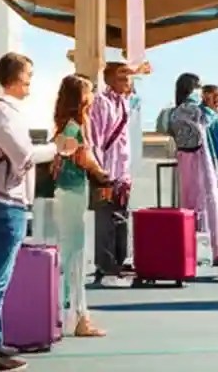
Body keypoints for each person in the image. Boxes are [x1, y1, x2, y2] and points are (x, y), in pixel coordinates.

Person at [0, 53, 79, 371]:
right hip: (1, 204)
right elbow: (24, 157)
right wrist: (59, 148)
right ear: (17, 77)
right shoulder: (2, 113)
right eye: (29, 73)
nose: (31, 79)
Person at [46, 74, 112, 338]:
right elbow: (85, 160)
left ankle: (65, 314)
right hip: (74, 193)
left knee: (68, 254)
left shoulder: (63, 128)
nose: (93, 96)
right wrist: (103, 173)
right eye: (89, 92)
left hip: (65, 193)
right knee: (75, 256)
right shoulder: (74, 129)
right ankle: (79, 317)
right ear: (80, 98)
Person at [160, 73, 218, 263]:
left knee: (188, 204)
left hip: (184, 157)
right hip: (203, 159)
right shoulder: (201, 111)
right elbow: (217, 134)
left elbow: (165, 127)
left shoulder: (174, 111)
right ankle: (216, 251)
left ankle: (188, 250)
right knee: (212, 203)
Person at [88, 61, 134, 287]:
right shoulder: (102, 103)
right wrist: (99, 170)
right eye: (121, 78)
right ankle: (105, 266)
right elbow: (95, 138)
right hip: (106, 171)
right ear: (108, 80)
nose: (127, 82)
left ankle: (118, 263)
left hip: (122, 173)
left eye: (128, 78)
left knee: (121, 219)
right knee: (105, 219)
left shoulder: (125, 103)